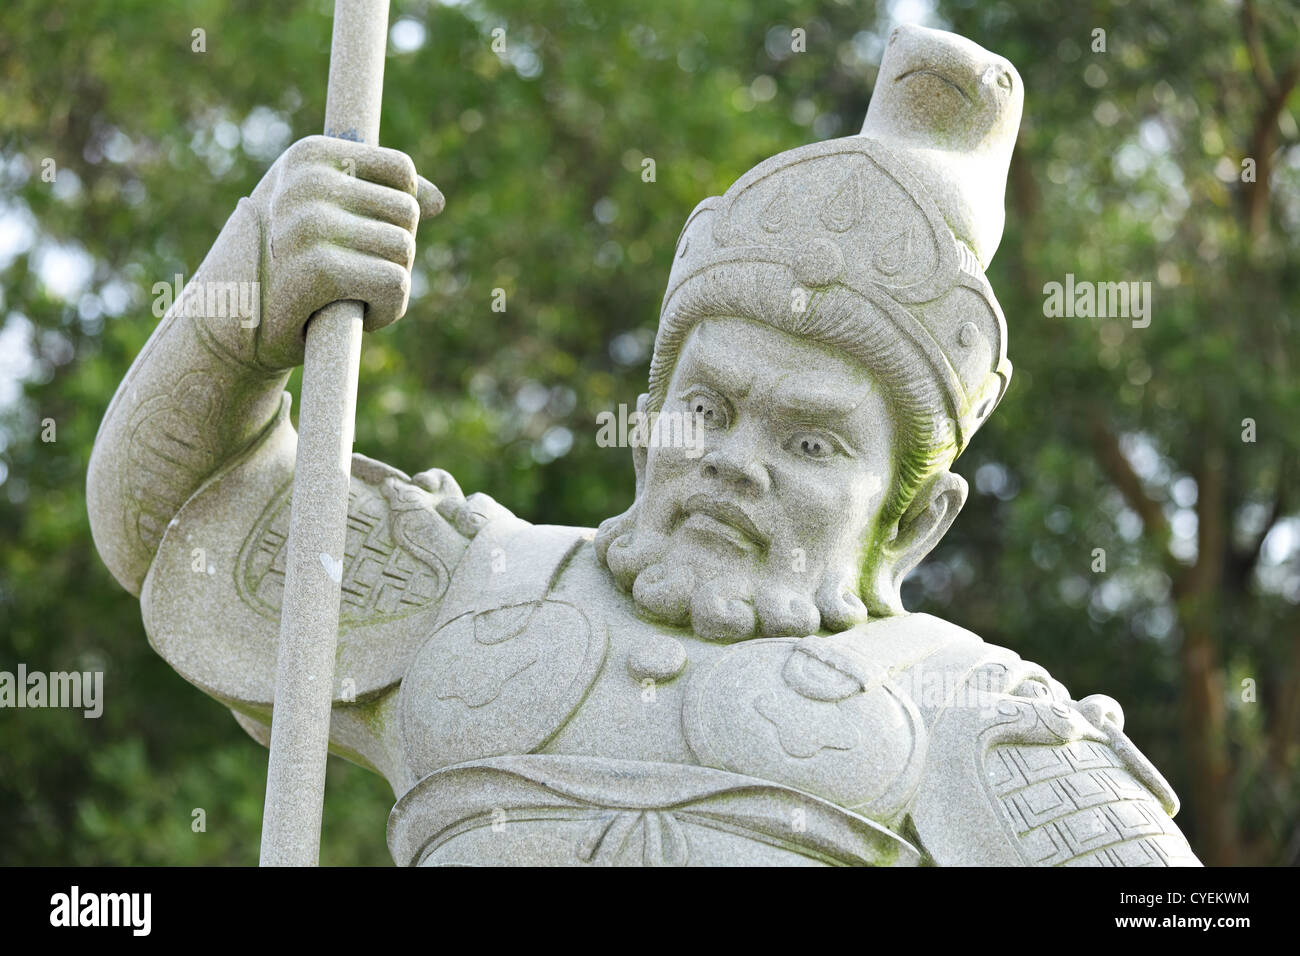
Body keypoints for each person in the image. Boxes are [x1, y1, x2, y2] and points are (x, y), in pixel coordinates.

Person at [87, 25, 1199, 866]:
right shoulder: (472, 589)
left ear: (912, 518)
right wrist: (247, 294)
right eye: (704, 410)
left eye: (809, 441)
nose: (733, 460)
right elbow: (178, 529)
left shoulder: (978, 710)